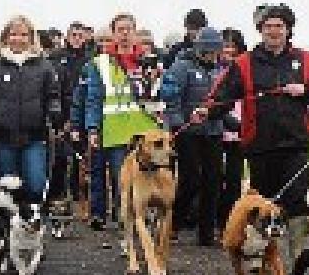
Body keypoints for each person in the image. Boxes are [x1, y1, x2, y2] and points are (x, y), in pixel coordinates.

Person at [195, 3, 309, 275]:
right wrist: (207, 110)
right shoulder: (244, 63)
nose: (273, 31)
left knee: (295, 198)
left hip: (295, 142)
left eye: (278, 26)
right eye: (268, 26)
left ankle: (297, 254)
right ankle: (261, 257)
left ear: (288, 29)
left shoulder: (306, 60)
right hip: (258, 144)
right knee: (263, 203)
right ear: (260, 30)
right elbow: (223, 94)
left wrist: (305, 90)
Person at [75, 12, 160, 230]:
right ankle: (125, 221)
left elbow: (160, 95)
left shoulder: (149, 61)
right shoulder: (100, 64)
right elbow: (93, 98)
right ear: (113, 34)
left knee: (143, 179)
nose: (124, 34)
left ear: (135, 32)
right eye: (120, 29)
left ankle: (136, 220)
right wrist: (92, 128)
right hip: (114, 131)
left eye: (128, 29)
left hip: (143, 132)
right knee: (120, 179)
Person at [0, 15, 63, 205]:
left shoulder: (44, 66)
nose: (18, 39)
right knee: (8, 189)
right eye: (13, 34)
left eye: (23, 35)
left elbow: (53, 95)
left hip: (34, 137)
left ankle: (31, 221)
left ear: (31, 37)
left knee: (36, 185)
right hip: (3, 138)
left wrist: (55, 114)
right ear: (5, 37)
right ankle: (12, 229)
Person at [160, 27, 225, 246]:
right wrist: (178, 122)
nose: (211, 55)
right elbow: (170, 96)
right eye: (207, 51)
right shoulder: (181, 66)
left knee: (213, 181)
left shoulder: (221, 70)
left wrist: (229, 122)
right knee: (191, 180)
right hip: (187, 132)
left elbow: (223, 100)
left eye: (215, 51)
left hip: (213, 131)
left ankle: (206, 233)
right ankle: (173, 223)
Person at [47, 22, 92, 215]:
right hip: (60, 115)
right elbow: (52, 90)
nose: (77, 38)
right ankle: (55, 197)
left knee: (81, 159)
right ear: (67, 36)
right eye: (73, 35)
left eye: (80, 35)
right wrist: (60, 119)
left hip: (83, 115)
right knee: (59, 159)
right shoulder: (55, 58)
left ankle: (78, 196)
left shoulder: (91, 59)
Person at [216, 28, 248, 227]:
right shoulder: (215, 70)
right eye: (224, 46)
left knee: (234, 180)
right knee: (216, 179)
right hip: (218, 130)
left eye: (231, 47)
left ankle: (231, 221)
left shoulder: (244, 69)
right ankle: (218, 221)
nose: (228, 51)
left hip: (239, 132)